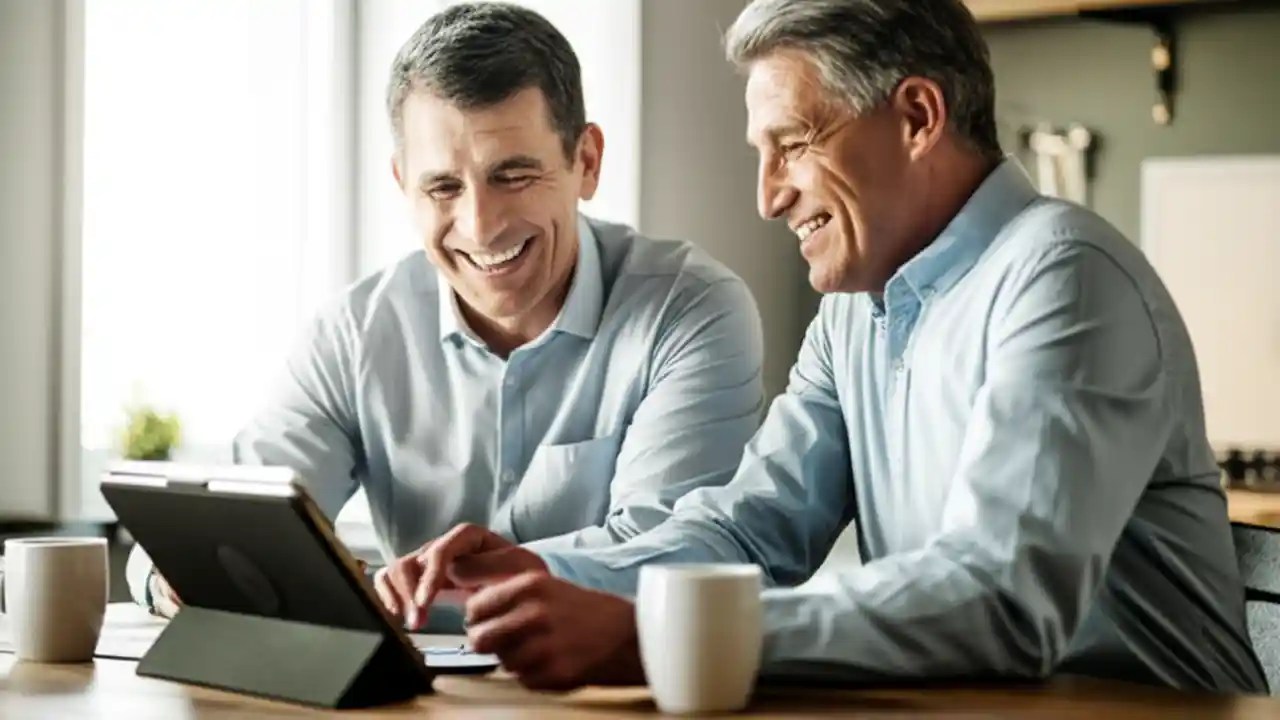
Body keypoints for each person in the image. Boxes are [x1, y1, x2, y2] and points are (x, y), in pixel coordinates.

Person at [391, 0, 1269, 695]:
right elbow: (750, 529)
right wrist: (536, 573)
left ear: (917, 115)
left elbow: (1002, 600)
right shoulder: (856, 312)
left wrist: (660, 635)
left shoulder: (1061, 276)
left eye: (793, 145)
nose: (768, 196)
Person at [125, 2, 765, 627]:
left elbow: (675, 559)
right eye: (443, 187)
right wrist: (171, 575)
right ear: (403, 184)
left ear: (586, 163)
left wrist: (446, 587)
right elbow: (230, 523)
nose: (480, 226)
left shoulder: (689, 310)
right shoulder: (353, 336)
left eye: (513, 176)